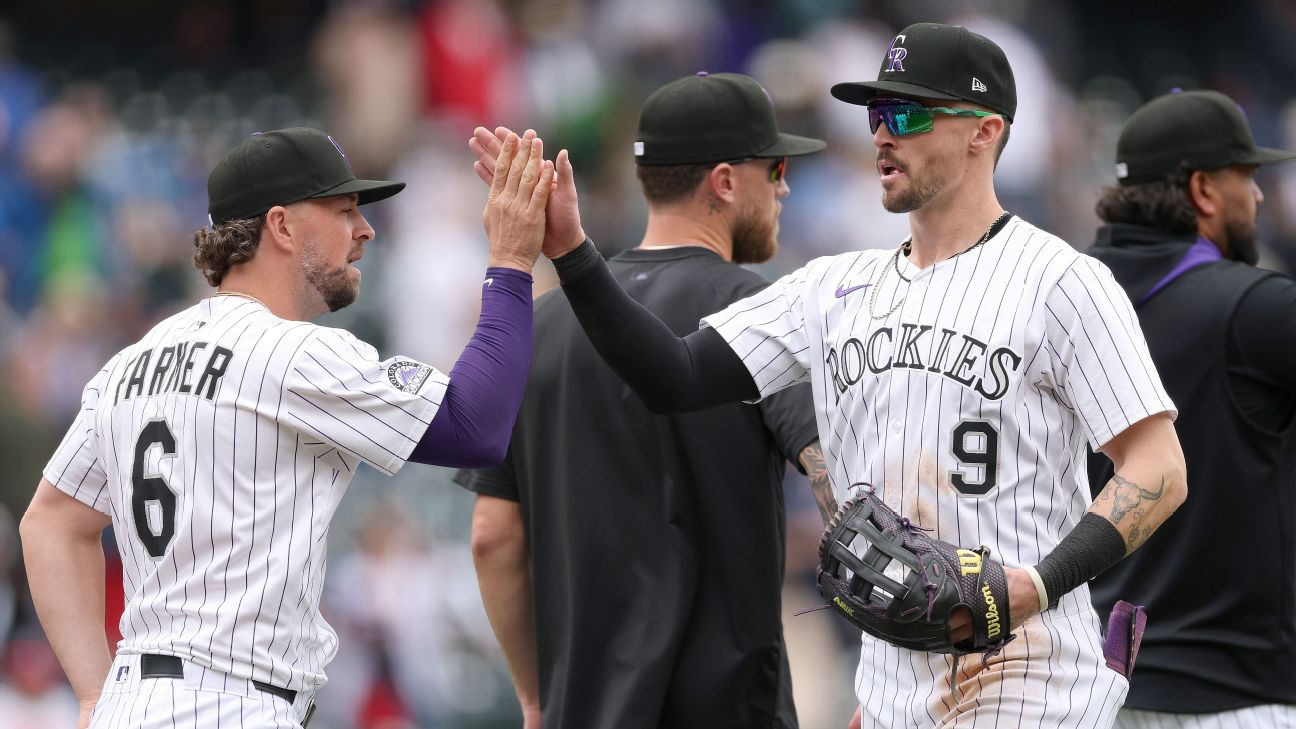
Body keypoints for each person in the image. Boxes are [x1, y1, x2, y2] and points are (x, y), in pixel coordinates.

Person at [472, 23, 1188, 729]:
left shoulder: (1063, 281)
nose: (881, 133)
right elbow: (674, 375)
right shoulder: (831, 288)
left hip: (1030, 684)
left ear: (985, 131)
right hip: (891, 696)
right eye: (876, 114)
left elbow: (1158, 466)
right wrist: (571, 252)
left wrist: (1041, 582)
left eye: (906, 113)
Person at [19, 126, 555, 729]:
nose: (365, 230)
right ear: (281, 226)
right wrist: (510, 262)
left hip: (137, 702)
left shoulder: (128, 365)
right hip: (230, 703)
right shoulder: (296, 353)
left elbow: (51, 522)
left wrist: (93, 694)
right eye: (345, 210)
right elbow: (474, 427)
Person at [457, 72, 829, 729]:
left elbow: (492, 537)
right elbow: (835, 475)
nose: (784, 186)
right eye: (774, 167)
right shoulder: (764, 312)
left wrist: (535, 697)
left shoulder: (540, 325)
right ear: (723, 181)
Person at [1085, 89, 1296, 728]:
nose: (1258, 197)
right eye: (1248, 178)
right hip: (1236, 697)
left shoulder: (1058, 306)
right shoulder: (1253, 307)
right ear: (1204, 190)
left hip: (1090, 691)